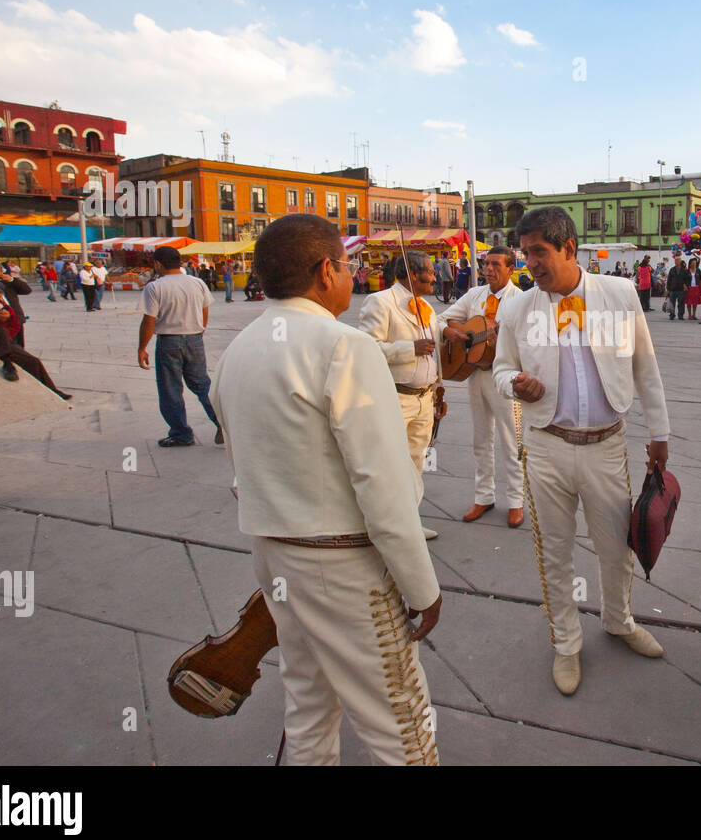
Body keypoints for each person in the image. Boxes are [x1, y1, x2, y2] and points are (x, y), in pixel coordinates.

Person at [211, 213, 441, 766]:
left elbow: (239, 467)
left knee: (309, 706)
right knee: (401, 725)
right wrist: (422, 586)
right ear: (324, 270)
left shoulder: (239, 347)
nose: (351, 275)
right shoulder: (343, 347)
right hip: (343, 568)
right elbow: (382, 486)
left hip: (275, 555)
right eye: (347, 265)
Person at [492, 206, 670, 696]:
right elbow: (500, 368)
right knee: (554, 551)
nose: (530, 263)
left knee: (617, 547)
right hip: (546, 446)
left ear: (569, 248)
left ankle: (619, 620)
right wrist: (516, 384)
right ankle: (566, 642)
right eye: (525, 253)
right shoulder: (518, 308)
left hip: (607, 446)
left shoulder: (619, 295)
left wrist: (660, 433)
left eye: (539, 252)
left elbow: (645, 367)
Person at [357, 251, 445, 541]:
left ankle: (409, 522)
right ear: (412, 274)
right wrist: (409, 348)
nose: (435, 277)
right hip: (396, 397)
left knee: (416, 461)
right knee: (390, 464)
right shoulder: (380, 302)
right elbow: (366, 348)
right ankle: (383, 525)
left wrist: (438, 389)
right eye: (431, 272)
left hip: (424, 398)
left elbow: (435, 350)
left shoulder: (427, 308)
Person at [437, 247, 525, 529]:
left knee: (512, 442)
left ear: (511, 268)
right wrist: (456, 333)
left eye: (496, 265)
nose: (489, 269)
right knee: (480, 439)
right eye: (486, 264)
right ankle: (483, 496)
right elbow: (443, 319)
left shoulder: (520, 301)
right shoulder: (474, 295)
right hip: (476, 373)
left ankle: (516, 501)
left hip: (506, 378)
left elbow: (530, 340)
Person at [137, 245, 222, 448]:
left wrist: (142, 348)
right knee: (202, 384)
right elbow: (204, 309)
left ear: (158, 264)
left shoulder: (155, 287)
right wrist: (200, 330)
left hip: (169, 341)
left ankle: (181, 433)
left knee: (170, 388)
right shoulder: (197, 282)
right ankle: (223, 424)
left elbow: (149, 320)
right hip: (194, 338)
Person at [0, 283, 70, 399]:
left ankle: (52, 390)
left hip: (3, 343)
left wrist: (5, 332)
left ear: (1, 295)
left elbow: (15, 326)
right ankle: (7, 364)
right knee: (1, 331)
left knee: (33, 361)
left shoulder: (6, 308)